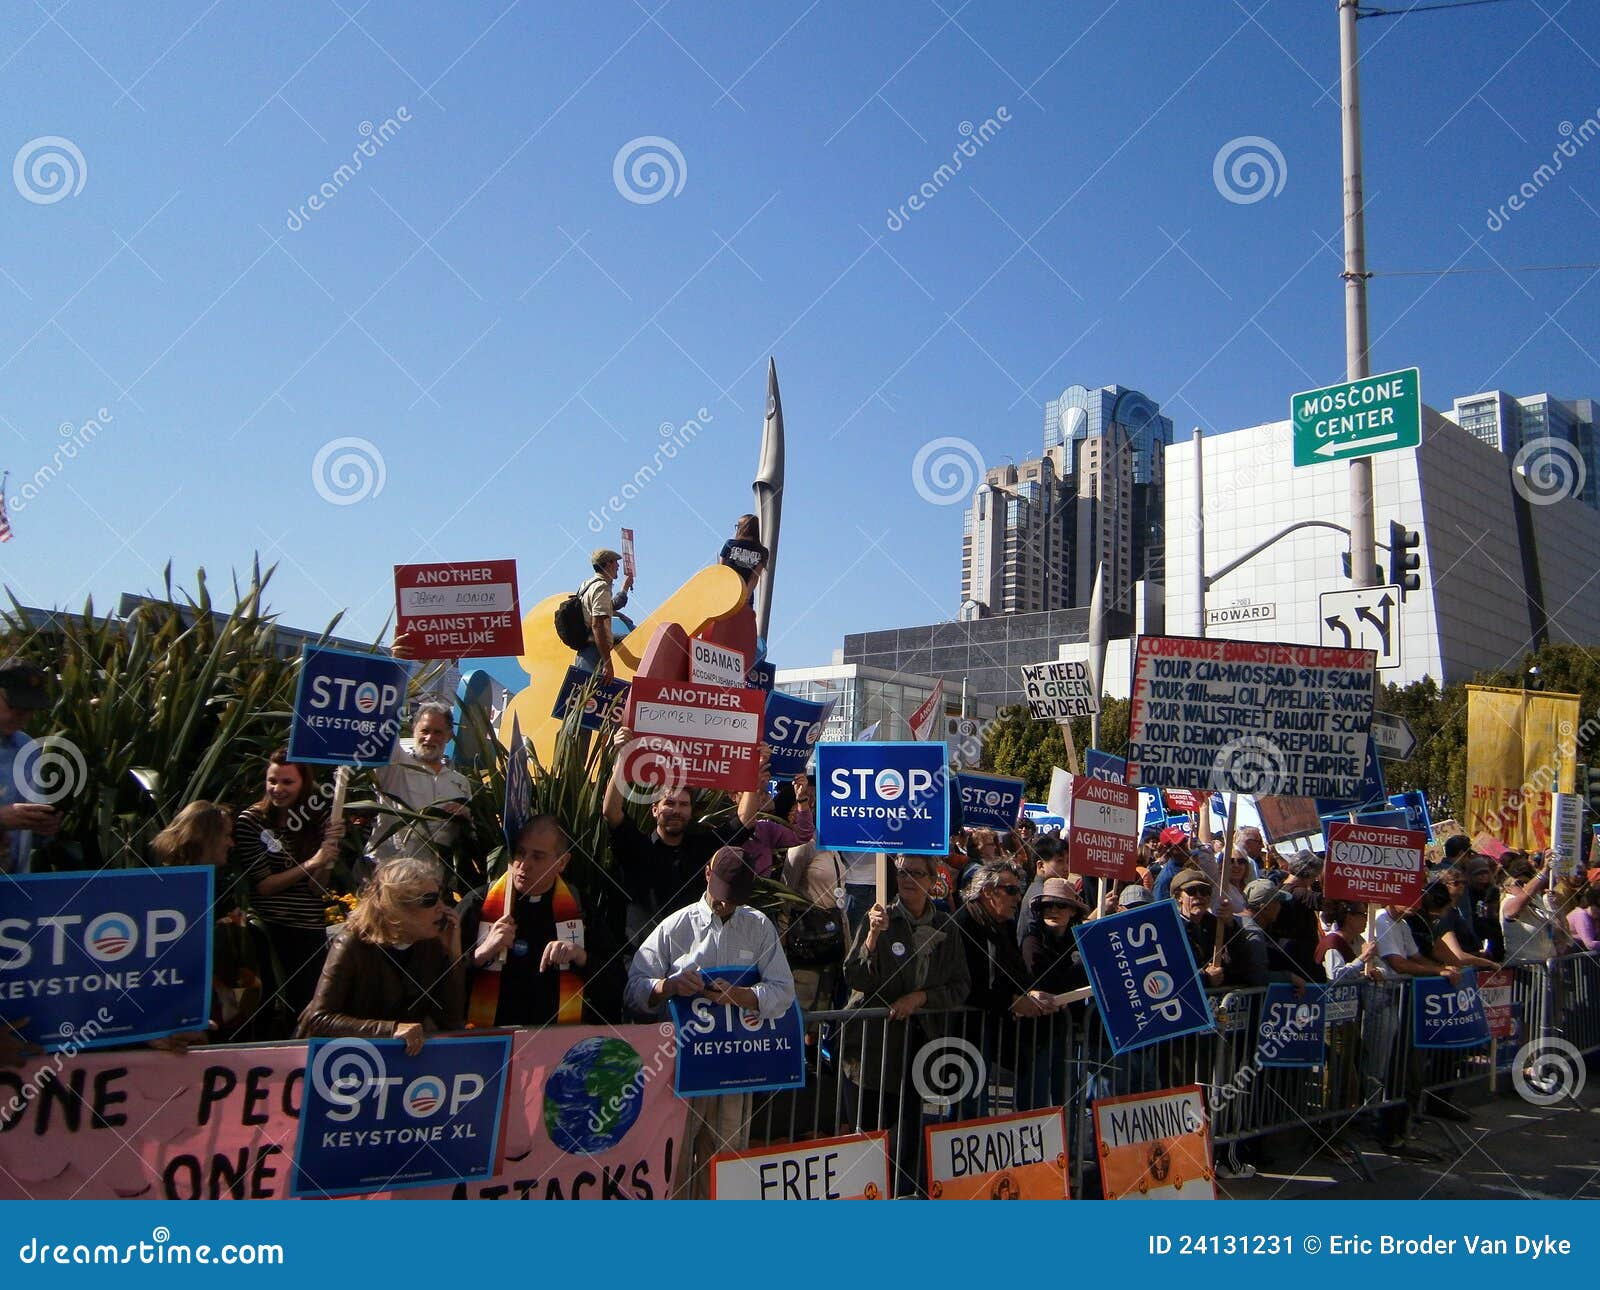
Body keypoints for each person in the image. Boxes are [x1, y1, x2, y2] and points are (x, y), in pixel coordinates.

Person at [624, 849, 795, 1198]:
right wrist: (667, 986)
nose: (725, 906)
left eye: (734, 900)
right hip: (682, 1075)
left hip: (734, 1072)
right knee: (678, 1164)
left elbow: (784, 990)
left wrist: (744, 995)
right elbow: (634, 987)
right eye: (721, 897)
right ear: (706, 875)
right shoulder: (676, 926)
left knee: (727, 1166)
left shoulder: (759, 926)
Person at [840, 853, 970, 1197]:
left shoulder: (945, 926)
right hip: (870, 1050)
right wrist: (871, 936)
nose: (908, 879)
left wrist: (920, 998)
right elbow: (855, 977)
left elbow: (959, 986)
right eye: (901, 872)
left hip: (916, 1050)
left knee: (906, 1143)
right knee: (867, 1139)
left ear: (932, 881)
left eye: (917, 873)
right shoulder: (881, 917)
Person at [602, 727, 769, 944]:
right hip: (641, 958)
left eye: (683, 805)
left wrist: (752, 771)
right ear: (654, 809)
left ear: (691, 811)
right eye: (669, 803)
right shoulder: (636, 846)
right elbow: (611, 812)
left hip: (692, 957)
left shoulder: (703, 847)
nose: (676, 810)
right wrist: (624, 756)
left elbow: (744, 821)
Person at [458, 814, 620, 1026]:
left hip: (553, 1042)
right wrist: (481, 953)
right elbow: (440, 982)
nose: (524, 865)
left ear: (562, 862)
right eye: (520, 853)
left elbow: (616, 982)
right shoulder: (478, 904)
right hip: (489, 1040)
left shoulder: (580, 908)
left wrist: (580, 956)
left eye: (537, 856)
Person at [297, 856, 466, 1052]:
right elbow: (320, 1019)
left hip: (395, 1061)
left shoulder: (431, 944)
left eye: (440, 896)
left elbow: (451, 1021)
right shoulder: (352, 943)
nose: (441, 907)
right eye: (429, 900)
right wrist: (390, 1029)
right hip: (338, 1059)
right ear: (398, 908)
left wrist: (453, 955)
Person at [234, 749, 345, 1024]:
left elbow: (317, 889)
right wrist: (313, 861)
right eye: (273, 781)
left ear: (303, 784)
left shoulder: (316, 820)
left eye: (287, 782)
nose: (278, 789)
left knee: (305, 1004)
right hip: (269, 929)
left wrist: (329, 852)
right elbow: (265, 886)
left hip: (307, 928)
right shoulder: (251, 822)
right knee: (268, 1005)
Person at [367, 701, 475, 869]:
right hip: (389, 871)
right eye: (424, 730)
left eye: (438, 732)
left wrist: (466, 815)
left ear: (449, 735)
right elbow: (382, 725)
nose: (429, 738)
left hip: (435, 879)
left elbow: (471, 834)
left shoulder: (460, 783)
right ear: (413, 729)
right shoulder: (396, 764)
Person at [0, 658, 63, 874]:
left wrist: (43, 826)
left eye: (30, 709)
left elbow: (31, 839)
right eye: (15, 706)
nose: (23, 716)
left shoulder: (27, 748)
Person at [1224, 879, 1313, 988]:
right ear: (1264, 907)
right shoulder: (1254, 933)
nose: (1280, 906)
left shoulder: (1234, 920)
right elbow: (1258, 978)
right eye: (1276, 902)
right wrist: (1289, 977)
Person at [576, 548, 633, 683]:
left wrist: (624, 590)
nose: (618, 566)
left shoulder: (587, 584)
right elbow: (598, 625)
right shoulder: (601, 587)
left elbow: (602, 608)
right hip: (594, 653)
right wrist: (608, 662)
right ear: (608, 564)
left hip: (585, 651)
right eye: (615, 562)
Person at [1500, 854, 1569, 963]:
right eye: (1519, 883)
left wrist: (1556, 909)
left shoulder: (1538, 902)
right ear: (1507, 887)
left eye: (1528, 882)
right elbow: (1521, 899)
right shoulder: (1507, 902)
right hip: (1523, 971)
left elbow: (1562, 934)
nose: (1525, 886)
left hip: (1546, 968)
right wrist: (1544, 871)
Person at [1172, 869, 1227, 988]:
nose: (1199, 896)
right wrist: (1205, 978)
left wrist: (1231, 924)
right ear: (1178, 897)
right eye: (1191, 891)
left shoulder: (1217, 924)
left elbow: (1237, 962)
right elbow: (1174, 972)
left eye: (1204, 891)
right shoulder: (1171, 928)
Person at [1315, 901, 1384, 982]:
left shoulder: (1358, 940)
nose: (1366, 919)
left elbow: (1381, 966)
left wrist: (1378, 972)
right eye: (1364, 915)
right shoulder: (1332, 943)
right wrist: (1363, 958)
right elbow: (1335, 976)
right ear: (1349, 917)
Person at [1567, 886, 1600, 951]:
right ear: (1591, 905)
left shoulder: (1594, 918)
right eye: (1598, 907)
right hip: (1566, 956)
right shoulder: (1581, 915)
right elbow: (1590, 944)